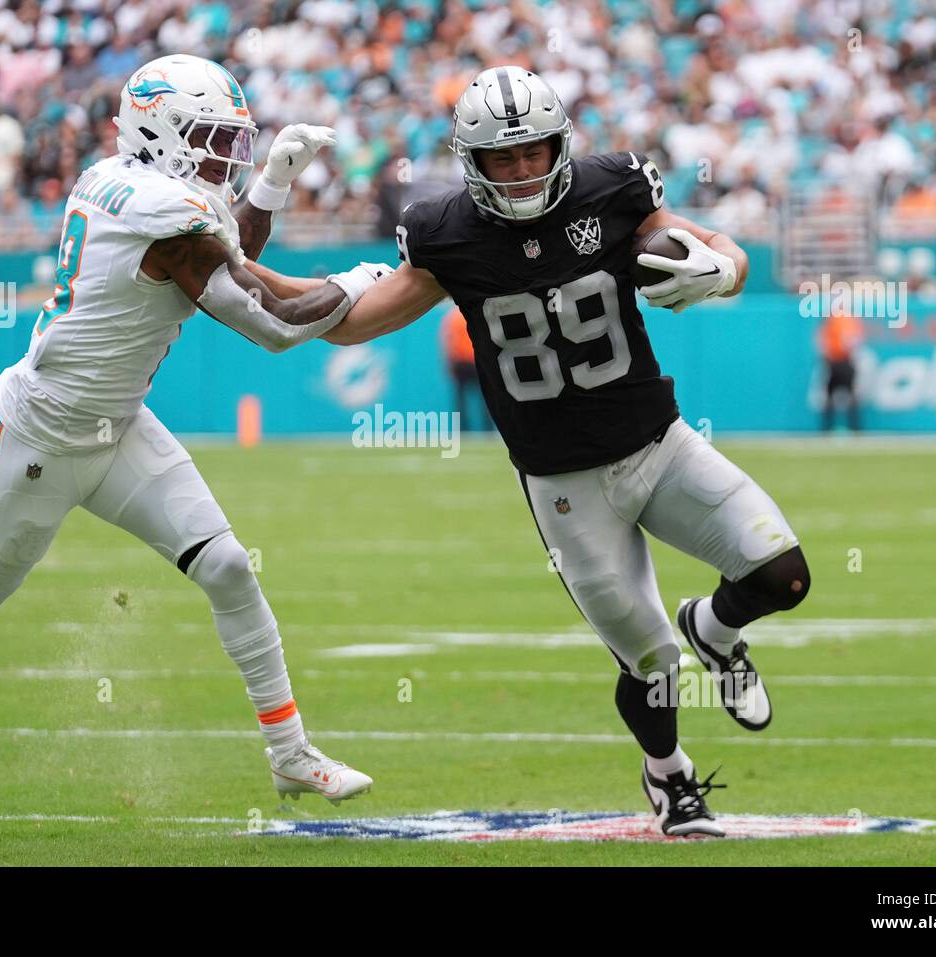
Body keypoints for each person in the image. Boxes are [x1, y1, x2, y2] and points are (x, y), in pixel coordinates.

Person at [0, 55, 391, 805]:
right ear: (162, 134)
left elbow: (225, 258)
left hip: (117, 424)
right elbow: (272, 320)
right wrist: (360, 282)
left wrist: (272, 185)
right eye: (212, 139)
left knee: (227, 566)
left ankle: (289, 752)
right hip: (40, 433)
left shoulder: (126, 184)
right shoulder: (162, 214)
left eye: (232, 141)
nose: (226, 157)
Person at [319, 67, 811, 836]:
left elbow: (723, 252)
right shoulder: (446, 233)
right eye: (502, 157)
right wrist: (248, 286)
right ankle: (669, 775)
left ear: (560, 145)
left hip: (659, 443)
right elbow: (353, 324)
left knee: (784, 574)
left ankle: (715, 628)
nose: (520, 170)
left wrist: (723, 269)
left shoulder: (612, 189)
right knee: (650, 662)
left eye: (533, 151)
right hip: (564, 483)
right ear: (472, 162)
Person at [818, 304, 863, 432]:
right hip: (840, 361)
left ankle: (829, 428)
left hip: (839, 361)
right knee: (840, 396)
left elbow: (824, 343)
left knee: (841, 396)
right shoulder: (843, 320)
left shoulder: (840, 320)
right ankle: (852, 428)